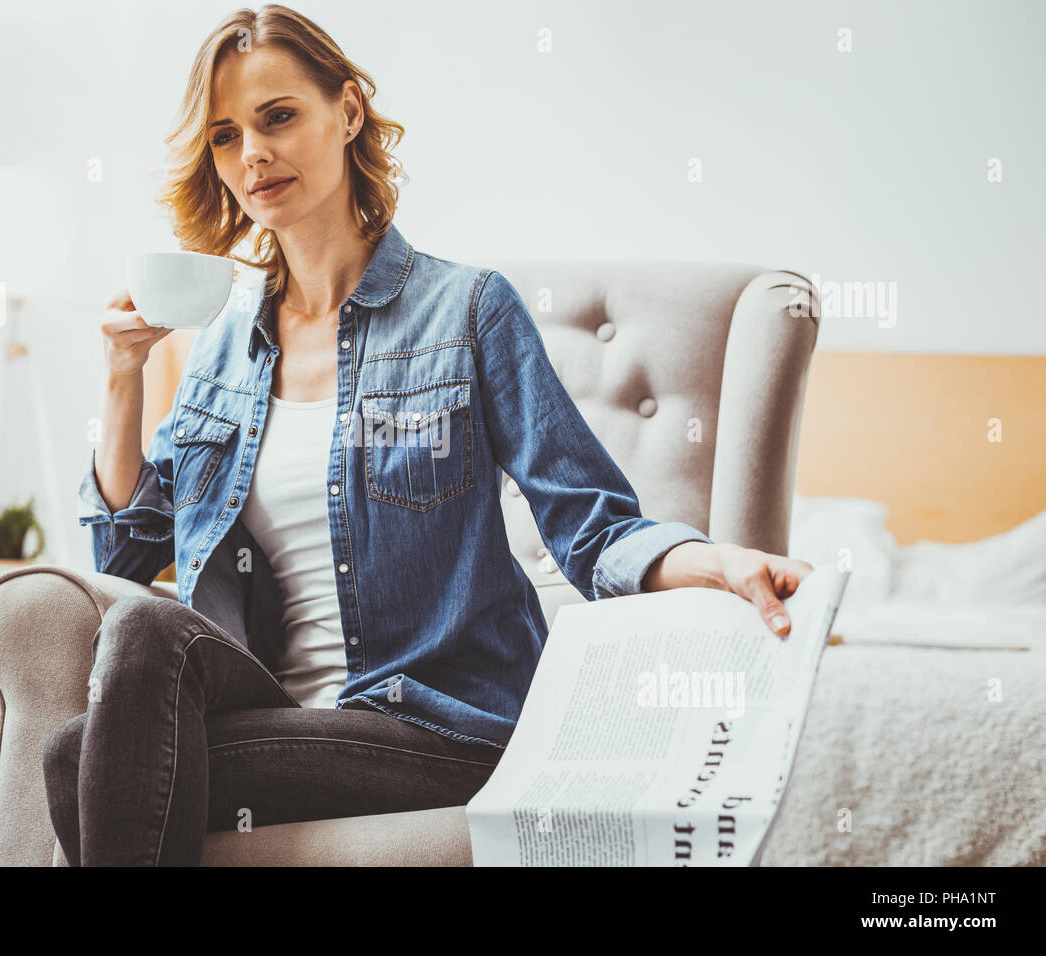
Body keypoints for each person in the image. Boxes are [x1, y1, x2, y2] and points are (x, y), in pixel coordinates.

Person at [44, 3, 814, 867]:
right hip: (276, 717)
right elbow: (123, 558)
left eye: (278, 116)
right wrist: (121, 379)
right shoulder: (222, 346)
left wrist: (720, 561)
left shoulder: (468, 310)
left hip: (442, 727)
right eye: (226, 135)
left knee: (86, 758)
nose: (252, 153)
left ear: (347, 111)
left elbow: (593, 529)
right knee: (85, 727)